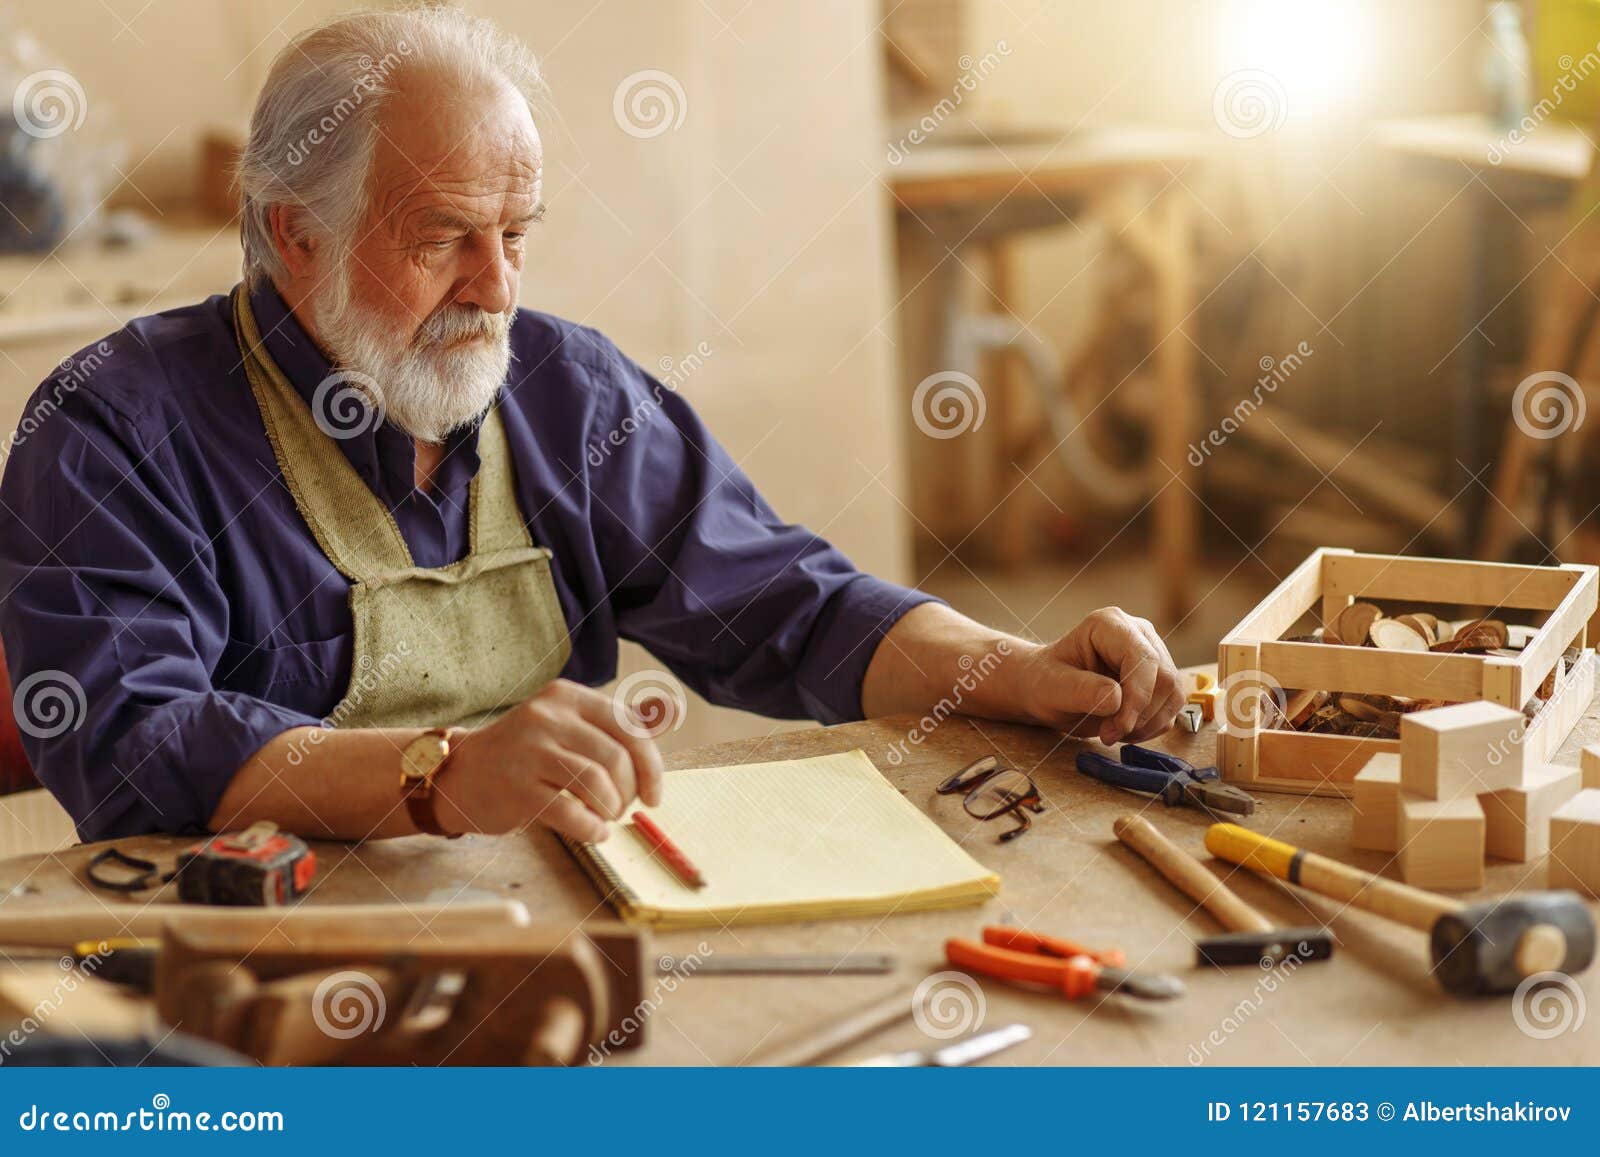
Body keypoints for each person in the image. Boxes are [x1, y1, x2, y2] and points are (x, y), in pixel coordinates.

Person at [0, 7, 1181, 844]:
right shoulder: (112, 430)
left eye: (515, 233)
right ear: (296, 231)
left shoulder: (569, 393)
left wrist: (1015, 669)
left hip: (549, 927)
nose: (496, 286)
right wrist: (441, 777)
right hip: (257, 971)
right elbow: (139, 742)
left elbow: (790, 605)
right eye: (442, 236)